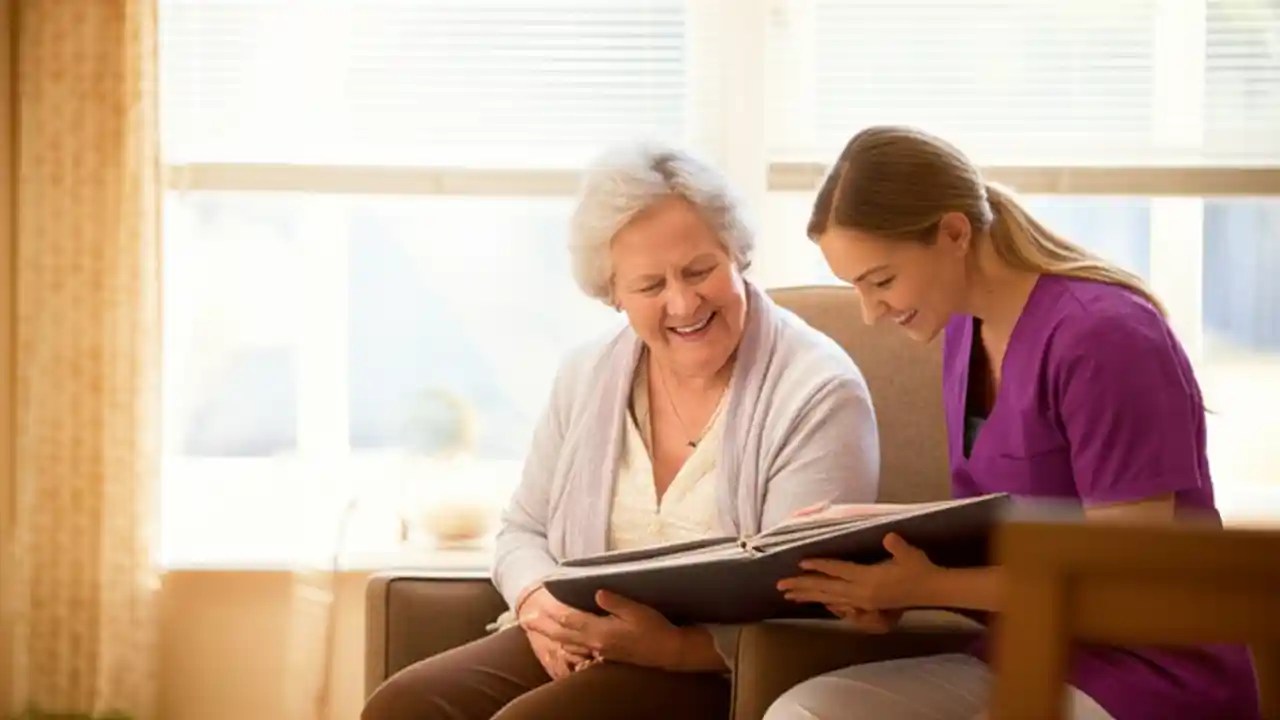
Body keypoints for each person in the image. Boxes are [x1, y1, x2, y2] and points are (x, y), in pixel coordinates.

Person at [361, 142, 881, 720]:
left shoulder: (817, 391)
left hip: (722, 665)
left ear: (738, 255)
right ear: (613, 295)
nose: (683, 303)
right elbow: (522, 532)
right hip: (581, 641)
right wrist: (539, 608)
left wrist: (672, 650)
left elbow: (806, 604)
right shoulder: (586, 373)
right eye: (651, 286)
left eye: (700, 270)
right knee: (404, 707)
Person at [765, 126, 1261, 720]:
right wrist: (868, 535)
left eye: (882, 282)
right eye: (859, 289)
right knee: (808, 713)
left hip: (1152, 675)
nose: (872, 314)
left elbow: (1127, 570)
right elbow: (1008, 522)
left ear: (953, 232)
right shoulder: (961, 331)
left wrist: (925, 589)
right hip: (1026, 653)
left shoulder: (1104, 338)